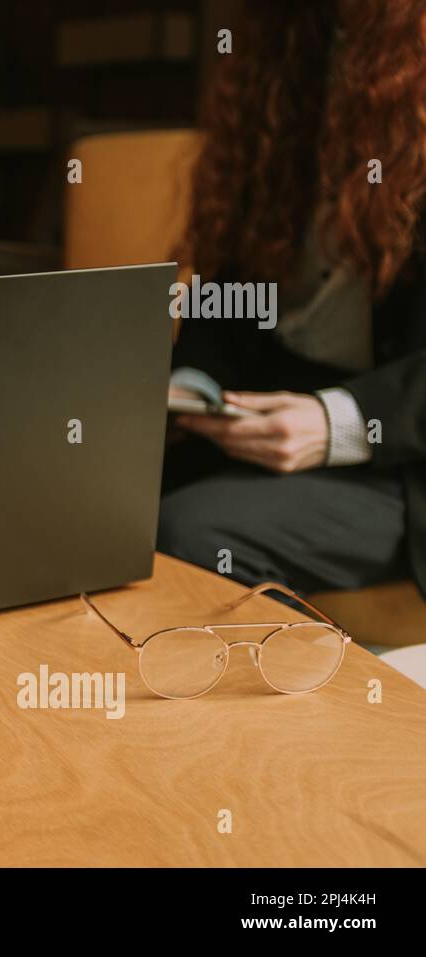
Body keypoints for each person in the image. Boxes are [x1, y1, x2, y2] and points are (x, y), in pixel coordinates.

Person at [159, 0, 426, 596]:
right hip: (271, 417)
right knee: (81, 496)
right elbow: (235, 279)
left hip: (403, 459)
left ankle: (334, 684)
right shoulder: (290, 45)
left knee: (187, 533)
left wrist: (339, 425)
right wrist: (194, 385)